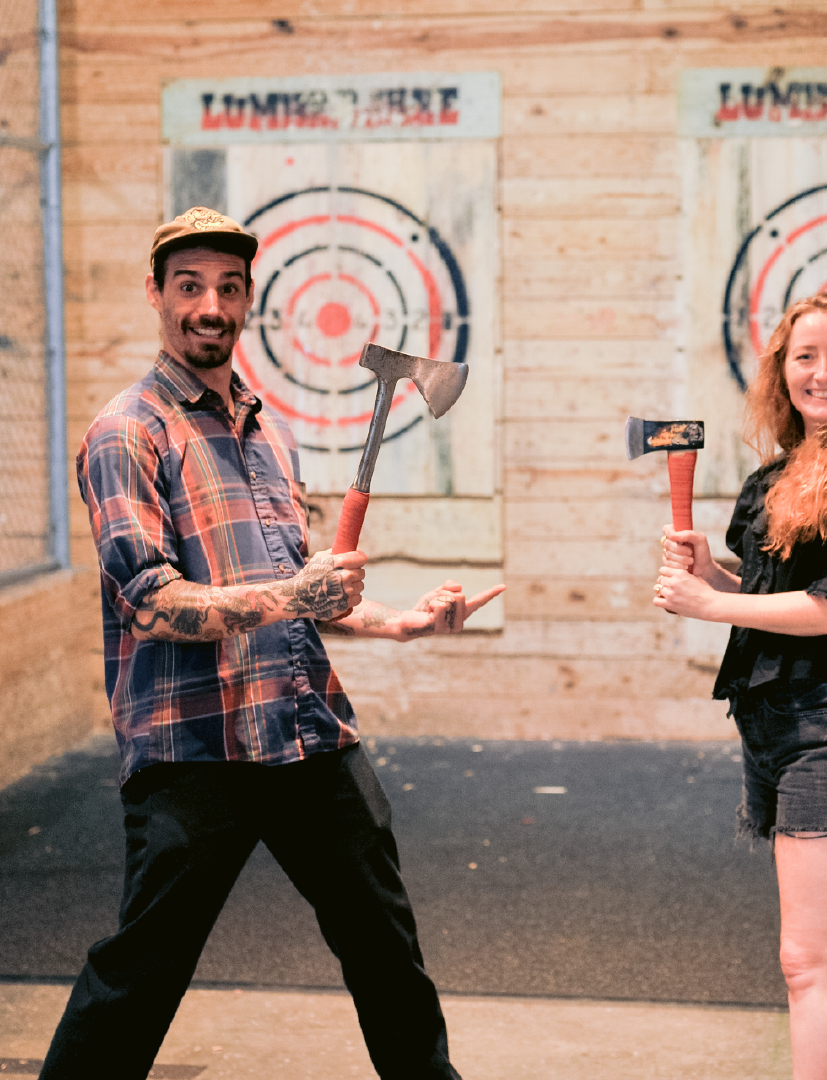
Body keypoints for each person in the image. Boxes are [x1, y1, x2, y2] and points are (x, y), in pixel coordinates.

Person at [40, 207, 503, 1080]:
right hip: (195, 747)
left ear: (248, 299)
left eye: (227, 287)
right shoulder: (126, 431)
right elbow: (151, 604)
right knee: (139, 975)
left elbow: (296, 599)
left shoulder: (268, 429)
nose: (209, 305)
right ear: (156, 295)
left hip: (305, 733)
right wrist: (295, 592)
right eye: (189, 287)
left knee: (387, 956)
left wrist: (399, 619)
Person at [654, 292, 827, 1080]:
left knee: (807, 960)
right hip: (774, 725)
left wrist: (712, 603)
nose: (823, 372)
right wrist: (717, 570)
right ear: (781, 372)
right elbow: (779, 590)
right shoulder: (777, 474)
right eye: (804, 356)